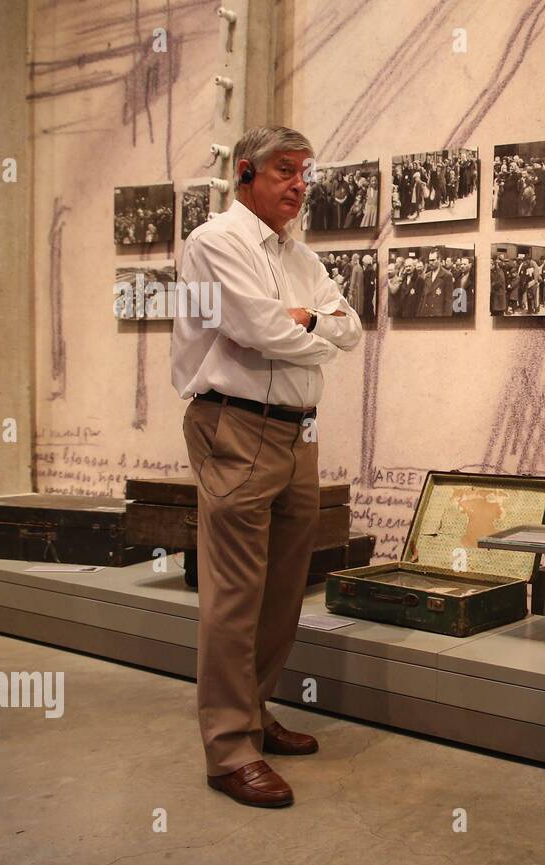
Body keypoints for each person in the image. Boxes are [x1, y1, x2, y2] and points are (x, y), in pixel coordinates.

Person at [171, 126, 362, 808]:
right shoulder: (216, 242)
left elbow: (352, 327)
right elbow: (262, 330)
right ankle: (227, 750)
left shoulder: (298, 255)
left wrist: (307, 319)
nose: (300, 184)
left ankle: (252, 714)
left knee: (284, 588)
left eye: (306, 172)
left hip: (297, 433)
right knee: (234, 596)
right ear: (245, 172)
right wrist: (313, 324)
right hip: (236, 426)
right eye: (285, 171)